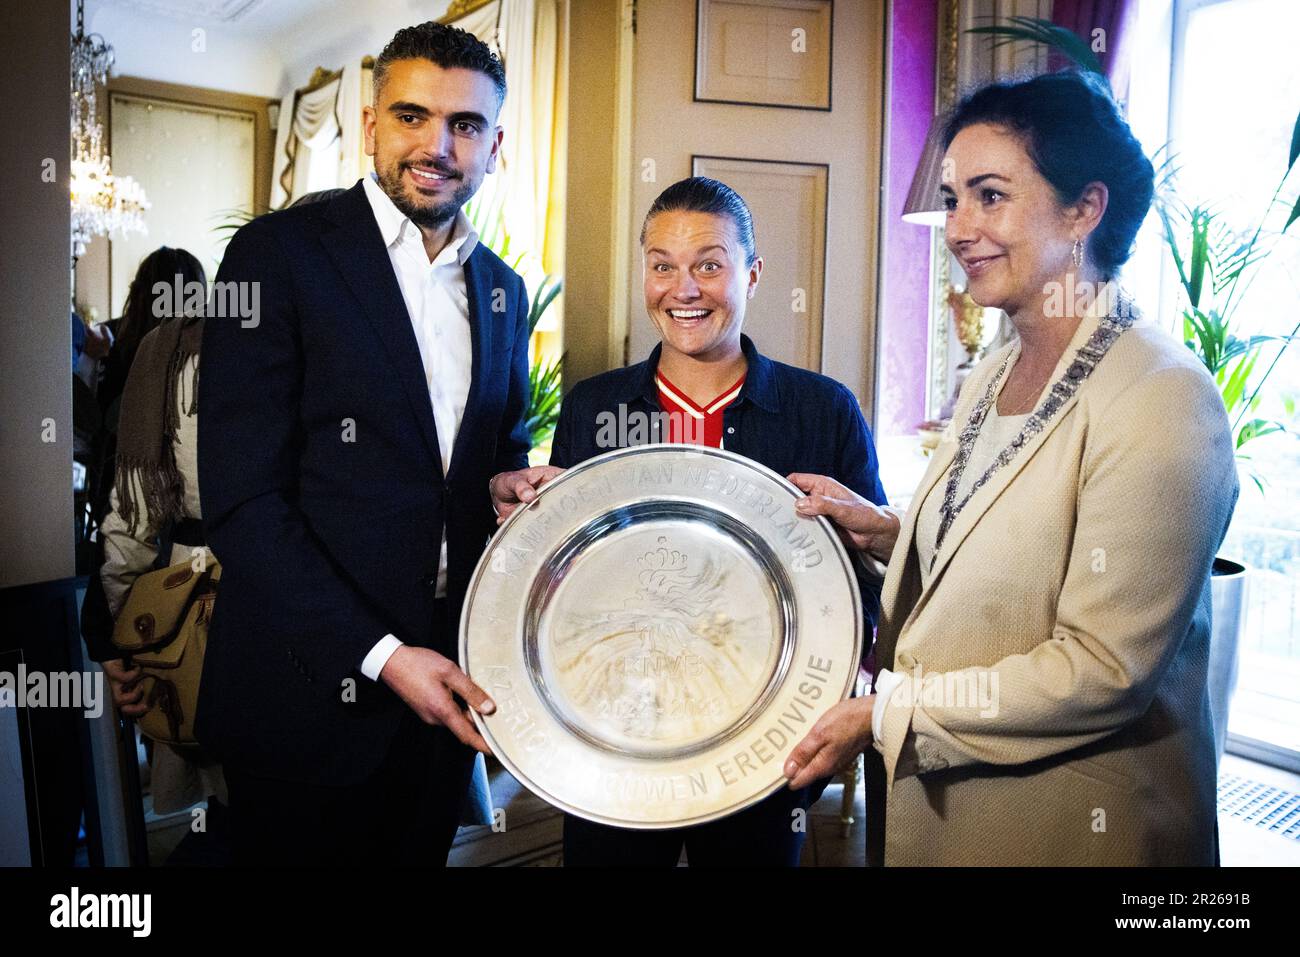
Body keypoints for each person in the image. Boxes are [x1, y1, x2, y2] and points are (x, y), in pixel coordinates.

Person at [781, 71, 1238, 866]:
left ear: (1084, 209)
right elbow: (1004, 546)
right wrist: (888, 530)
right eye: (955, 198)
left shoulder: (1162, 398)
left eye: (990, 195)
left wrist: (887, 712)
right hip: (947, 815)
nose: (958, 227)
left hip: (1067, 829)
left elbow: (1104, 668)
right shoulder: (999, 364)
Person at [196, 21, 531, 866]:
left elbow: (497, 454)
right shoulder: (276, 255)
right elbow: (244, 503)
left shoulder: (502, 290)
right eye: (414, 116)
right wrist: (383, 659)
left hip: (443, 703)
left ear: (495, 144)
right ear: (372, 122)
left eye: (465, 125)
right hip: (303, 700)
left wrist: (506, 488)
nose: (438, 145)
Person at [493, 177, 888, 866]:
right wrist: (526, 520)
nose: (685, 288)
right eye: (662, 264)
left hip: (765, 738)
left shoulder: (821, 410)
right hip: (618, 733)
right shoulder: (595, 406)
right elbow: (572, 578)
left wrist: (856, 671)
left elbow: (870, 578)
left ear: (753, 274)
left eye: (710, 264)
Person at [91, 253, 226, 844]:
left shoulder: (150, 356)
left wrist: (122, 628)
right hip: (201, 589)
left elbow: (128, 517)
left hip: (186, 580)